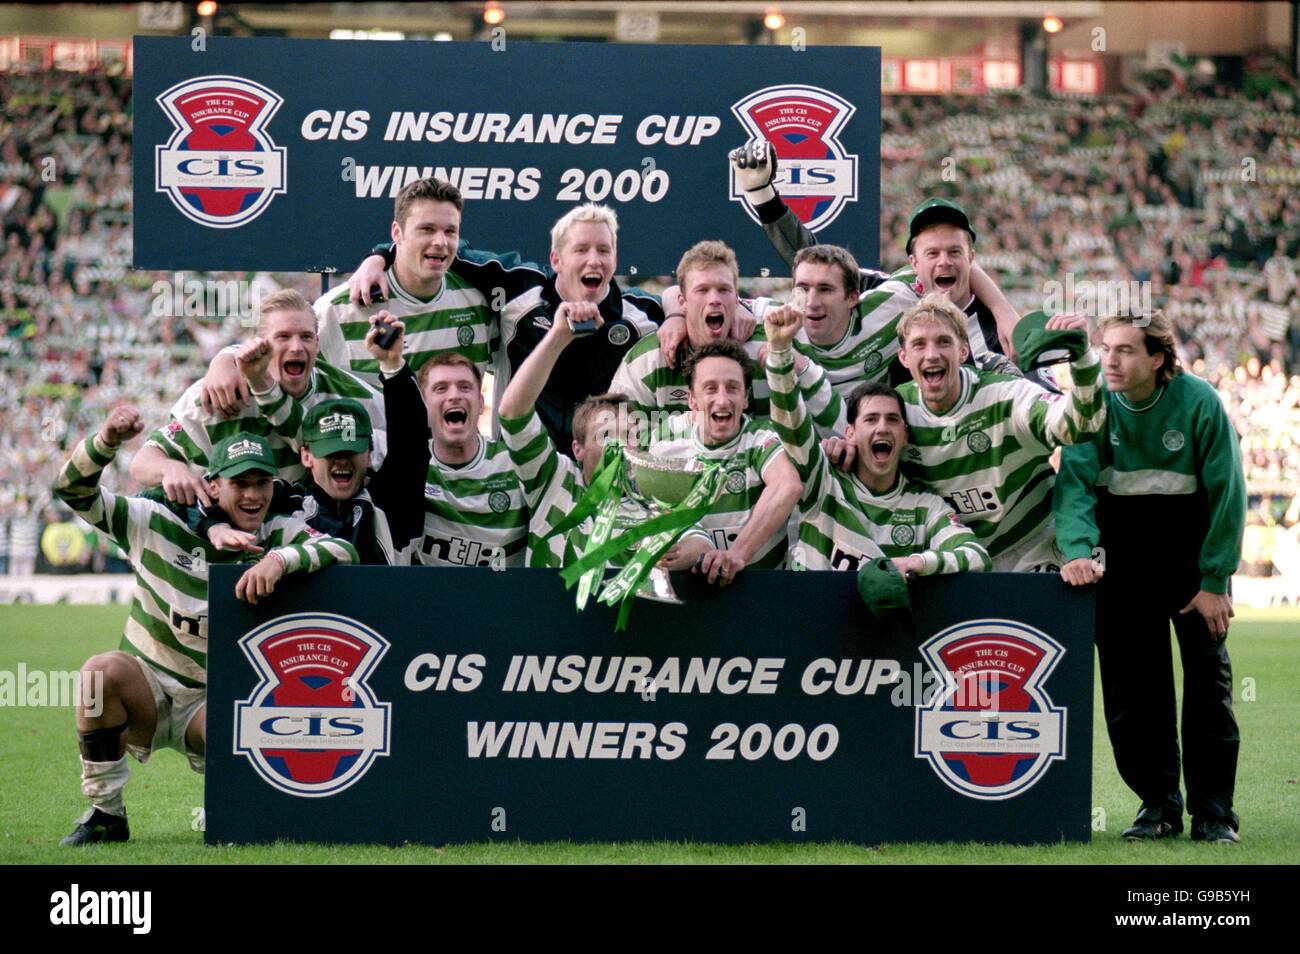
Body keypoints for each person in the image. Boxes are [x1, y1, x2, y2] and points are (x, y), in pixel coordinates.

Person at [55, 411, 357, 845]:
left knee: (247, 722)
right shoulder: (153, 521)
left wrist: (277, 560)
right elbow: (71, 489)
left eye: (262, 483)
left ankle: (241, 813)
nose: (253, 495)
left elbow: (341, 549)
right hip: (150, 690)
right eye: (240, 484)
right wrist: (105, 440)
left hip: (214, 703)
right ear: (213, 486)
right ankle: (106, 813)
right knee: (98, 674)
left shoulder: (277, 533)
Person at [1054, 312, 1245, 844]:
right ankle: (1157, 805)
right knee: (1133, 689)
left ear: (1158, 360)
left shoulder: (1200, 402)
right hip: (1121, 558)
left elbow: (1228, 495)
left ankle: (1214, 813)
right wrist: (1074, 551)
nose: (1109, 361)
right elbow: (1073, 486)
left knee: (1209, 685)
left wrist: (1214, 581)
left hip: (1190, 559)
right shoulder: (1092, 408)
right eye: (1104, 349)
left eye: (1124, 351)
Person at [347, 201, 665, 454]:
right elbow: (436, 247)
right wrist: (378, 256)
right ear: (556, 260)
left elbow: (690, 296)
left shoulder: (640, 314)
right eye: (581, 250)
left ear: (616, 258)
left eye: (603, 250)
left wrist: (676, 315)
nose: (593, 260)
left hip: (602, 469)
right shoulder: (519, 287)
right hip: (520, 467)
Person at [834, 293, 1104, 572]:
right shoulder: (897, 412)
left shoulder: (1005, 396)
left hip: (1034, 545)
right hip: (958, 560)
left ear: (963, 350)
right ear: (904, 357)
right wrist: (842, 449)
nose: (932, 354)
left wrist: (1083, 359)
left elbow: (1078, 428)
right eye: (919, 344)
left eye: (943, 342)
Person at [730, 141, 1030, 378]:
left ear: (970, 258)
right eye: (932, 254)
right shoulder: (899, 293)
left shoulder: (1002, 331)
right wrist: (764, 199)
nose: (944, 262)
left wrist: (1003, 310)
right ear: (913, 263)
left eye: (954, 252)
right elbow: (818, 264)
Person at [763, 303, 989, 574]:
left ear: (905, 435)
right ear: (850, 433)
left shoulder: (924, 505)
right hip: (812, 615)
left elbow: (976, 556)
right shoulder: (823, 481)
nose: (882, 428)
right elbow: (791, 425)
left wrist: (918, 562)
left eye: (892, 420)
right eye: (870, 420)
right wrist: (778, 353)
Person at [190, 314, 430, 565]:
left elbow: (411, 445)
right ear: (306, 456)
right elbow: (205, 496)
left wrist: (393, 366)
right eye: (330, 451)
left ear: (369, 455)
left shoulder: (391, 504)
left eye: (351, 451)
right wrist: (213, 525)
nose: (341, 462)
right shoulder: (289, 501)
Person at [497, 301, 710, 571]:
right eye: (606, 434)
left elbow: (701, 542)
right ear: (578, 449)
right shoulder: (552, 479)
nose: (619, 444)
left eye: (629, 436)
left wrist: (685, 554)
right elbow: (513, 413)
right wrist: (558, 337)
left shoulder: (656, 499)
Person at [131, 289, 386, 503]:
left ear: (317, 344)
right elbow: (144, 461)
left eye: (306, 337)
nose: (296, 346)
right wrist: (170, 468)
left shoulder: (353, 397)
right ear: (260, 344)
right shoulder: (219, 393)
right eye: (283, 337)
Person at [610, 240, 844, 434]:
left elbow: (836, 427)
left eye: (723, 290)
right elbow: (610, 438)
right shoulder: (651, 358)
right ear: (682, 302)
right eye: (702, 290)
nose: (714, 299)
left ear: (737, 299)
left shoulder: (774, 344)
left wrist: (798, 365)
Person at [648, 339, 803, 583]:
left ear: (746, 398)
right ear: (692, 400)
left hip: (761, 588)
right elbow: (662, 513)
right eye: (710, 388)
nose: (722, 400)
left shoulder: (761, 438)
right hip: (692, 593)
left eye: (732, 388)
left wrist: (735, 555)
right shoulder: (666, 442)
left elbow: (788, 486)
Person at [416, 352, 528, 567]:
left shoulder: (514, 463)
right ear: (423, 405)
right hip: (431, 597)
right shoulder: (411, 467)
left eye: (464, 387)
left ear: (480, 402)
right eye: (441, 388)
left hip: (504, 596)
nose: (454, 395)